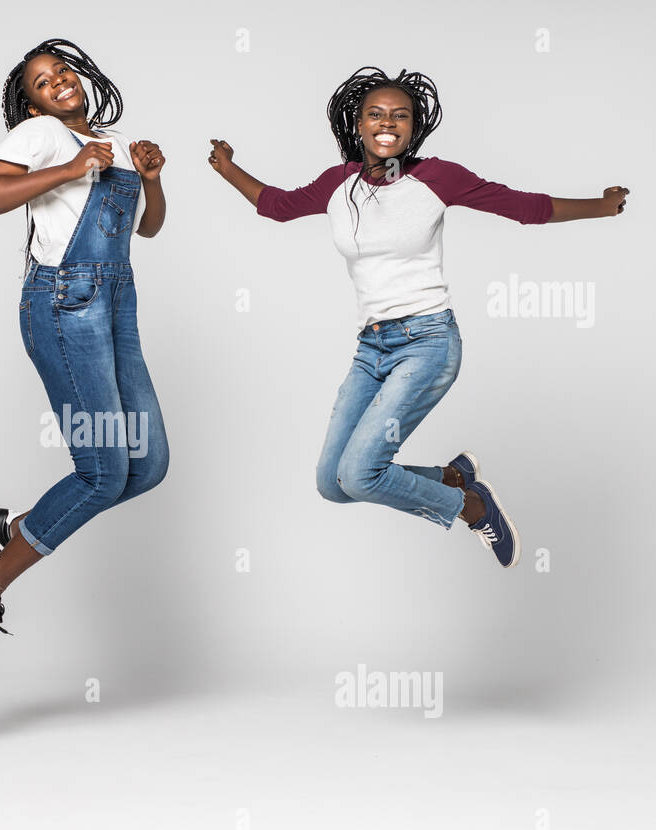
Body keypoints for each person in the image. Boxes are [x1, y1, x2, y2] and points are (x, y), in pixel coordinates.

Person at [209, 66, 629, 568]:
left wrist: (602, 208)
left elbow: (525, 208)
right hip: (372, 348)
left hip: (427, 341)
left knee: (362, 473)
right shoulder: (337, 183)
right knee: (334, 484)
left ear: (415, 126)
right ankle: (452, 478)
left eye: (400, 116)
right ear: (358, 124)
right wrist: (227, 167)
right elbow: (277, 206)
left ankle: (471, 506)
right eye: (376, 114)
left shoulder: (436, 177)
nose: (388, 123)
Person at [0, 39, 170, 660]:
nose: (56, 84)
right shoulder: (40, 136)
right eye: (41, 83)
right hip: (62, 305)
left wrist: (151, 181)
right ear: (31, 104)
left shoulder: (120, 141)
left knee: (147, 466)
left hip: (116, 303)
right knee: (102, 474)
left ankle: (15, 531)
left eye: (61, 72)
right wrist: (72, 170)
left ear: (83, 75)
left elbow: (147, 228)